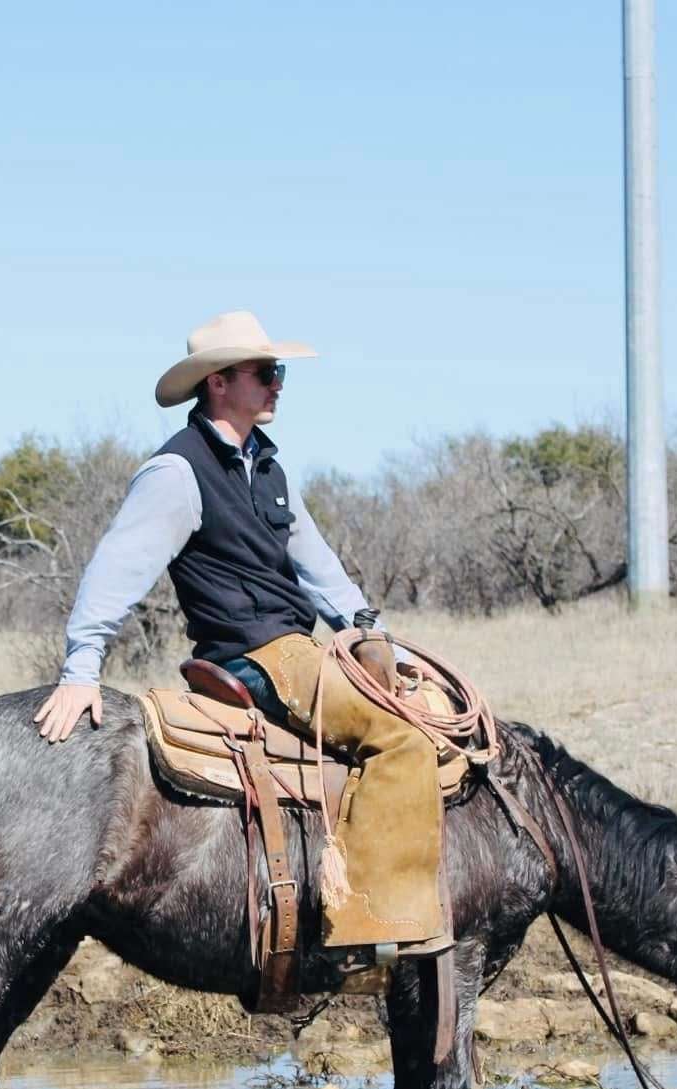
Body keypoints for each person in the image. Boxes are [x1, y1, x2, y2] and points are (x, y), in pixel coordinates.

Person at [33, 310, 451, 960]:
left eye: (278, 372)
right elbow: (116, 568)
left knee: (426, 707)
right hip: (257, 655)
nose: (277, 383)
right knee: (402, 738)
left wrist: (384, 647)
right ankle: (374, 931)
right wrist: (81, 670)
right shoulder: (177, 472)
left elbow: (325, 576)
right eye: (265, 372)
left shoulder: (269, 470)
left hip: (299, 649)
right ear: (219, 382)